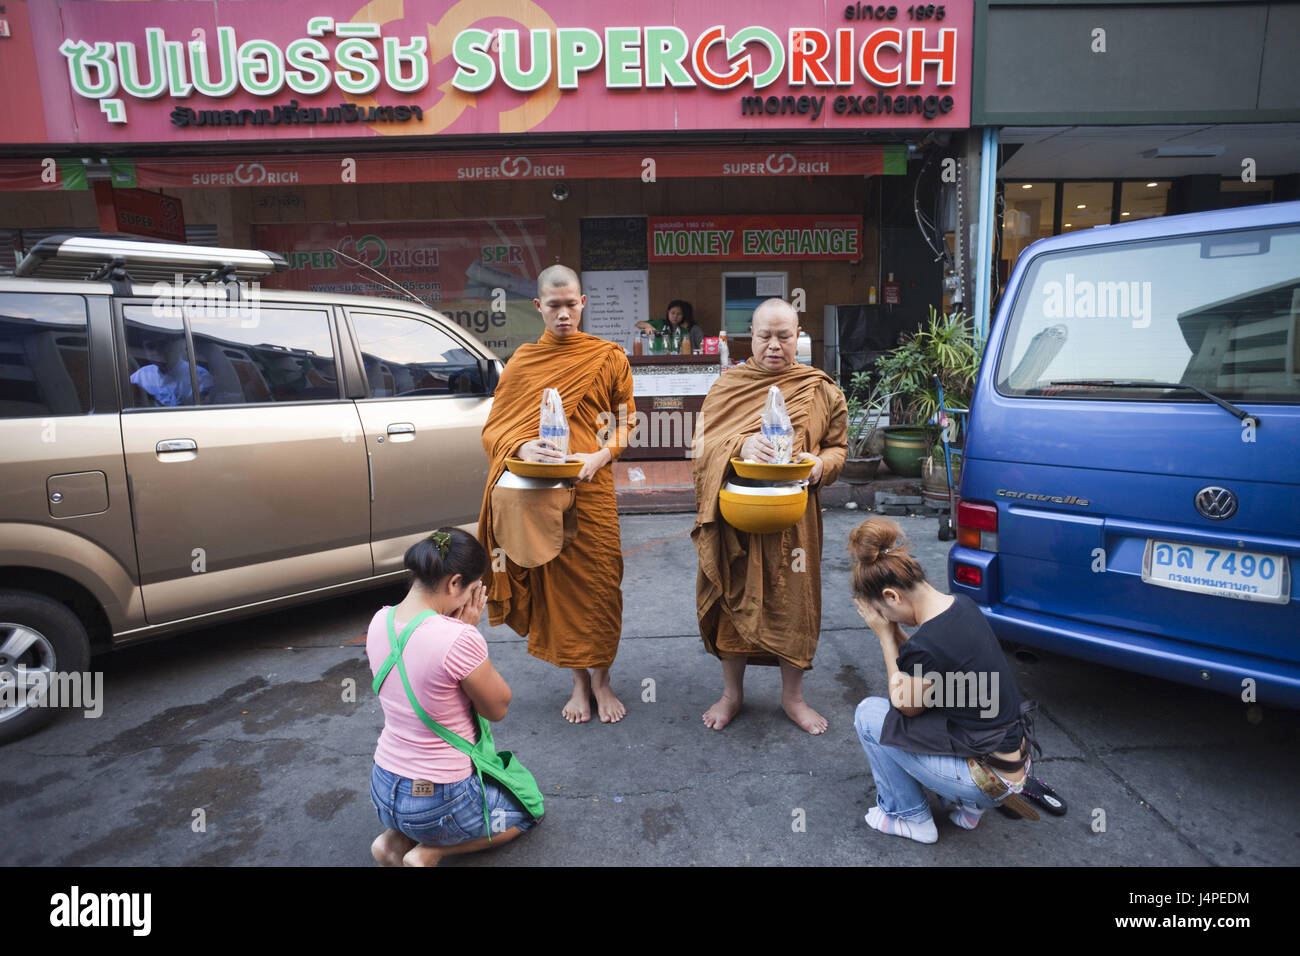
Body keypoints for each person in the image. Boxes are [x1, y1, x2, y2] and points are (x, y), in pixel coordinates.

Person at [477, 264, 637, 724]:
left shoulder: (609, 357)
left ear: (583, 303)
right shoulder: (524, 363)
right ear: (539, 308)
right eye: (554, 306)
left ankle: (603, 680)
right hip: (542, 494)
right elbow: (496, 431)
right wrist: (522, 444)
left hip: (592, 488)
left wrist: (601, 457)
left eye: (571, 305)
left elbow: (626, 422)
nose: (564, 314)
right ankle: (579, 683)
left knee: (603, 585)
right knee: (558, 589)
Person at [691, 298, 847, 735]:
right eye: (765, 336)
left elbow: (838, 448)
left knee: (793, 602)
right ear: (751, 337)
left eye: (784, 335)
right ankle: (731, 694)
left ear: (799, 336)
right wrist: (739, 445)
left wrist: (820, 466)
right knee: (732, 600)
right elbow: (702, 448)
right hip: (734, 520)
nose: (775, 346)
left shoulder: (820, 389)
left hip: (794, 523)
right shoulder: (728, 386)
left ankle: (792, 697)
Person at [848, 517, 1040, 844]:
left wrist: (884, 635)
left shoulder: (928, 646)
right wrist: (894, 630)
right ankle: (967, 808)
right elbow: (924, 665)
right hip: (1011, 763)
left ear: (892, 596)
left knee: (869, 715)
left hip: (987, 777)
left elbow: (904, 705)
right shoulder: (961, 605)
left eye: (885, 610)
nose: (888, 619)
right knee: (942, 701)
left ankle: (909, 816)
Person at [367, 528, 539, 866]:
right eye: (473, 591)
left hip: (383, 788)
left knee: (416, 812)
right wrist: (466, 632)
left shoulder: (379, 620)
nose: (471, 602)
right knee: (527, 810)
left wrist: (457, 630)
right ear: (454, 583)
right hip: (440, 799)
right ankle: (432, 851)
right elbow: (497, 707)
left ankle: (391, 839)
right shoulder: (459, 639)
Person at [130, 334, 212, 406]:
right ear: (145, 351)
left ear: (179, 346)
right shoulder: (140, 377)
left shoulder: (200, 377)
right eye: (150, 347)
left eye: (163, 344)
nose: (157, 351)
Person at [635, 300, 704, 353]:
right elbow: (638, 324)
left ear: (683, 316)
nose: (675, 316)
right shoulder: (660, 323)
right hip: (655, 358)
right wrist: (648, 326)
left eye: (679, 314)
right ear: (668, 312)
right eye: (672, 313)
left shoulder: (684, 331)